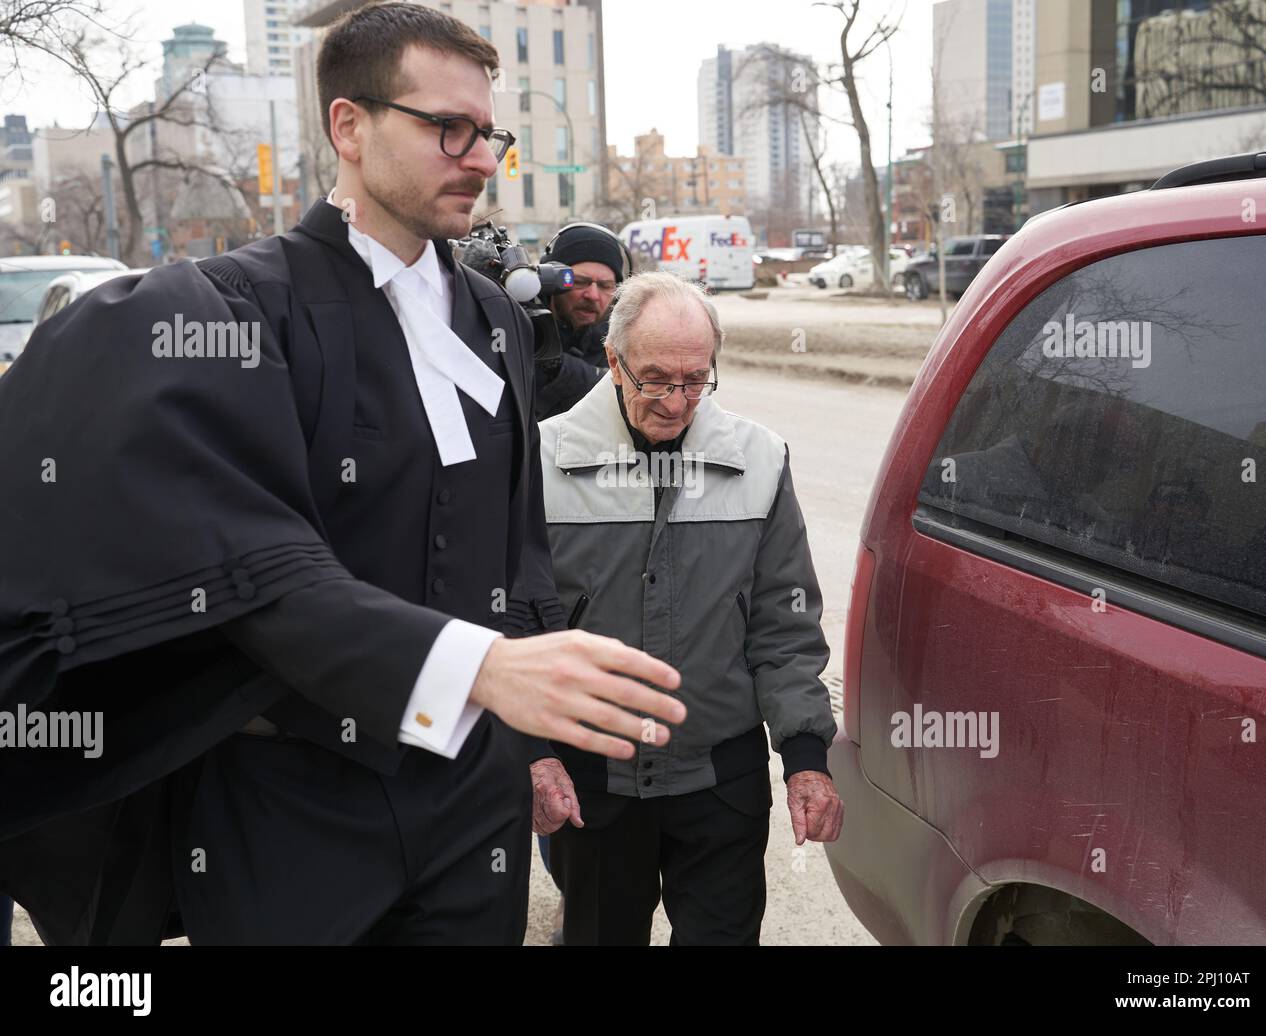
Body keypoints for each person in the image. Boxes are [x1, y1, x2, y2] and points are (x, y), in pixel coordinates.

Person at [0, 1, 683, 946]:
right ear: (348, 126)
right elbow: (256, 569)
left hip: (470, 794)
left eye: (491, 134)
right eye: (449, 128)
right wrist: (483, 670)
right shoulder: (239, 311)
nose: (482, 158)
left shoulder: (490, 317)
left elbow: (514, 552)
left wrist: (523, 742)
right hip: (288, 804)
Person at [532, 272, 844, 945]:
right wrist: (531, 753)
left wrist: (806, 758)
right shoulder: (543, 462)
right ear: (613, 362)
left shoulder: (758, 459)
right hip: (595, 782)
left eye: (695, 380)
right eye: (655, 380)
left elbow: (784, 625)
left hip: (720, 783)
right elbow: (515, 629)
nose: (677, 403)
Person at [534, 222, 630, 422]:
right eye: (579, 282)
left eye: (605, 285)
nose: (593, 295)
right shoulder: (518, 324)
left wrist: (561, 367)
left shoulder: (622, 342)